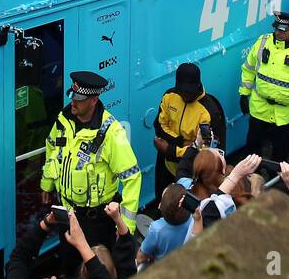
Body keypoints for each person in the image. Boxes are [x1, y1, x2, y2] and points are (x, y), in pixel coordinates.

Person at [39, 70, 142, 248]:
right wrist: (47, 184)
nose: (73, 102)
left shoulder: (111, 133)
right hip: (66, 213)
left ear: (93, 100)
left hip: (95, 222)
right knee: (69, 264)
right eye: (73, 96)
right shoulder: (64, 119)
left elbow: (132, 177)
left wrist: (126, 226)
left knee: (96, 269)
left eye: (79, 99)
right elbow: (52, 149)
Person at [238, 11, 289, 161]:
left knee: (280, 154)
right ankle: (251, 178)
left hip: (284, 114)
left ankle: (276, 179)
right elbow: (248, 69)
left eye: (282, 30)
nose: (277, 33)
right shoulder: (262, 42)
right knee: (252, 150)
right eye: (276, 29)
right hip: (259, 107)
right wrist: (244, 94)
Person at [151, 62, 214, 199]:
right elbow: (159, 125)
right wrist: (178, 141)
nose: (185, 95)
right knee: (161, 199)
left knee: (184, 205)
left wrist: (171, 150)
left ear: (198, 85)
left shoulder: (207, 111)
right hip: (166, 163)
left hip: (189, 170)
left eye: (189, 91)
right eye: (182, 90)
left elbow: (204, 150)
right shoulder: (169, 96)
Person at [136, 183, 200, 267]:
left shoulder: (156, 228)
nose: (172, 184)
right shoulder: (196, 219)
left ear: (160, 207)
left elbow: (141, 258)